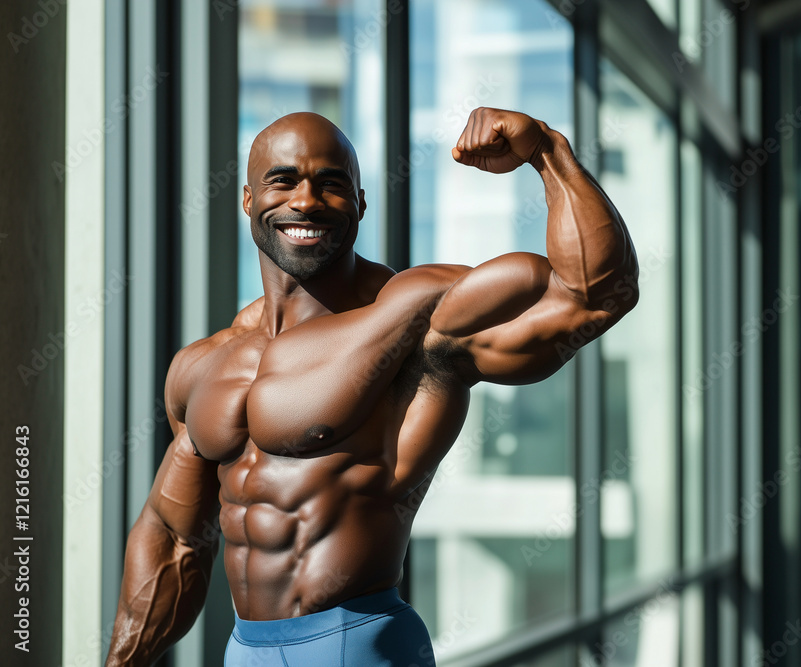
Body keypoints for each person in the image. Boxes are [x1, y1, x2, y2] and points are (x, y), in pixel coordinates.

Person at [105, 106, 638, 666]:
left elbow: (595, 297)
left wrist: (546, 151)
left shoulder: (419, 323)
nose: (306, 201)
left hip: (354, 642)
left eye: (331, 184)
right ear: (247, 199)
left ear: (360, 204)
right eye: (283, 180)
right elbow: (174, 536)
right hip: (244, 651)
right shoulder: (203, 364)